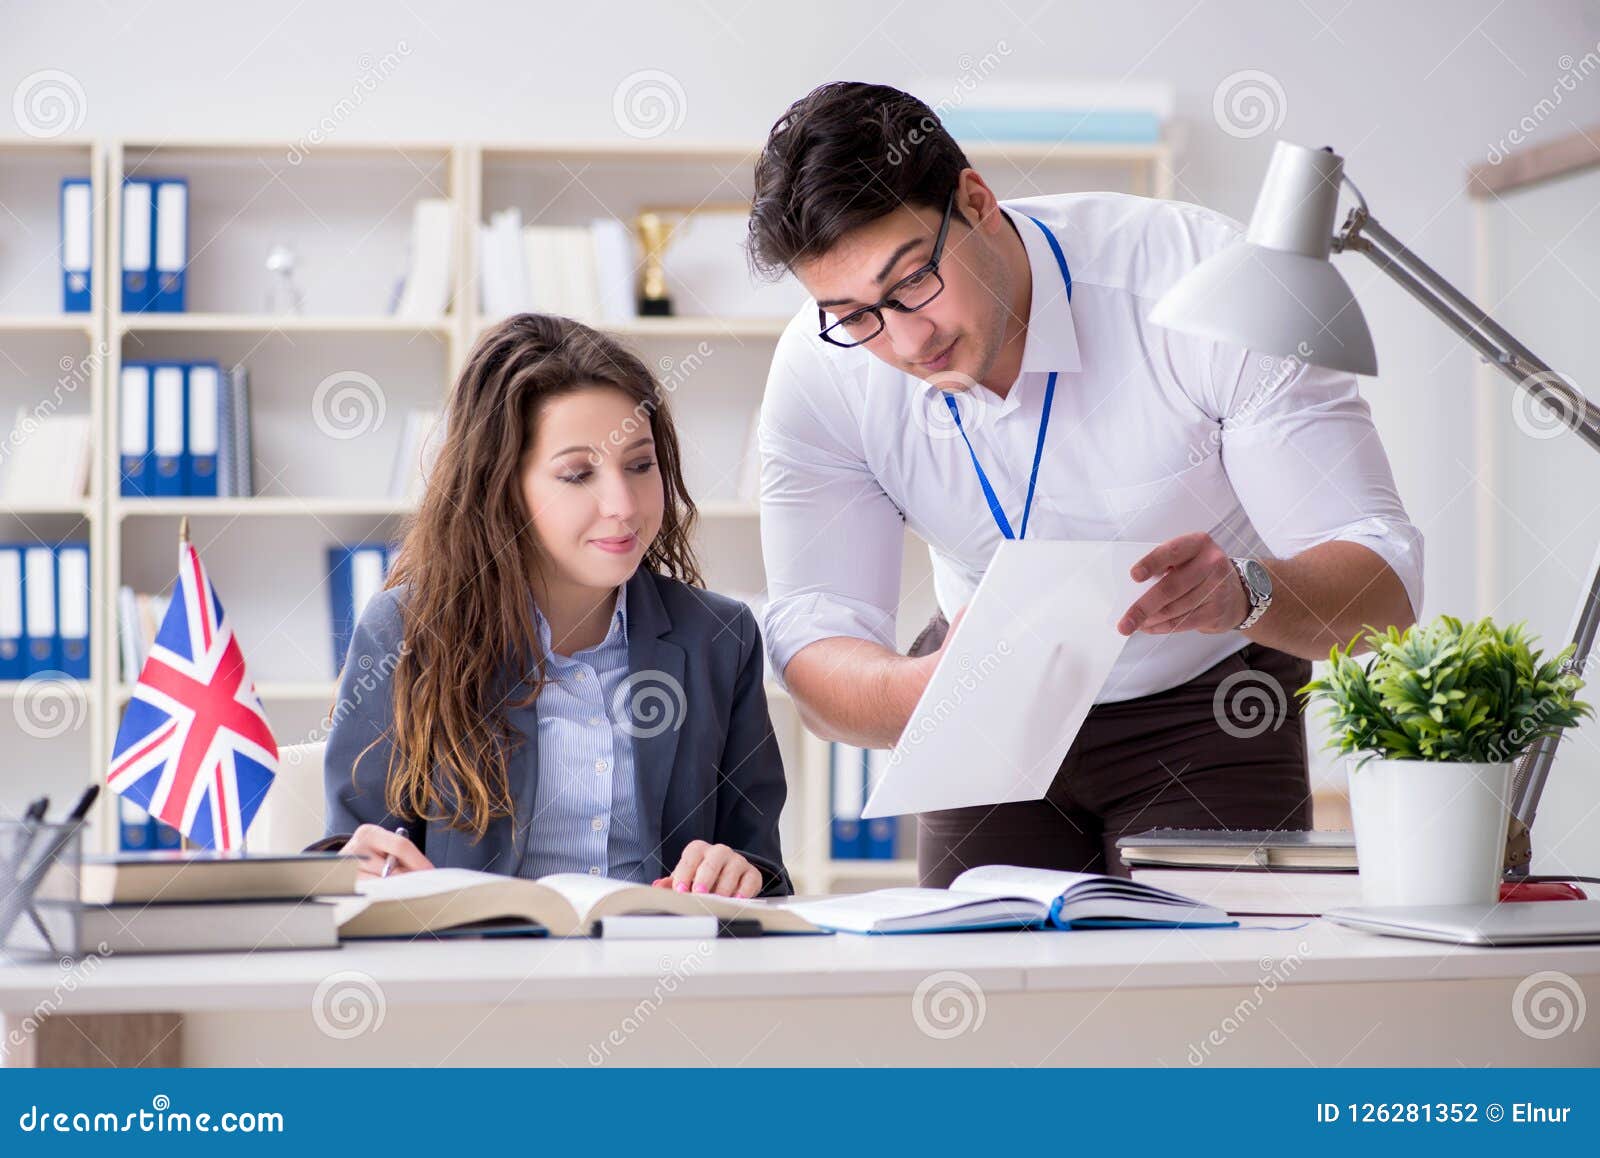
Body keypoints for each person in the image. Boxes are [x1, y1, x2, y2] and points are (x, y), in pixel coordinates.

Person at [748, 82, 1422, 886]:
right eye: (855, 314)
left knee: (1210, 962)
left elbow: (1385, 589)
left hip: (1206, 691)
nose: (905, 340)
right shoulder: (822, 367)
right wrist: (918, 693)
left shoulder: (1201, 288)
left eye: (914, 280)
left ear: (976, 201)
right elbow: (813, 639)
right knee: (978, 957)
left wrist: (1245, 590)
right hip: (983, 700)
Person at [315, 313, 790, 898]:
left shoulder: (719, 636)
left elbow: (761, 863)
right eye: (577, 474)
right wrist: (360, 869)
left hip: (658, 951)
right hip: (479, 953)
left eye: (640, 465)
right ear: (502, 487)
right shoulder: (406, 631)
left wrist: (742, 870)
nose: (622, 504)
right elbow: (351, 855)